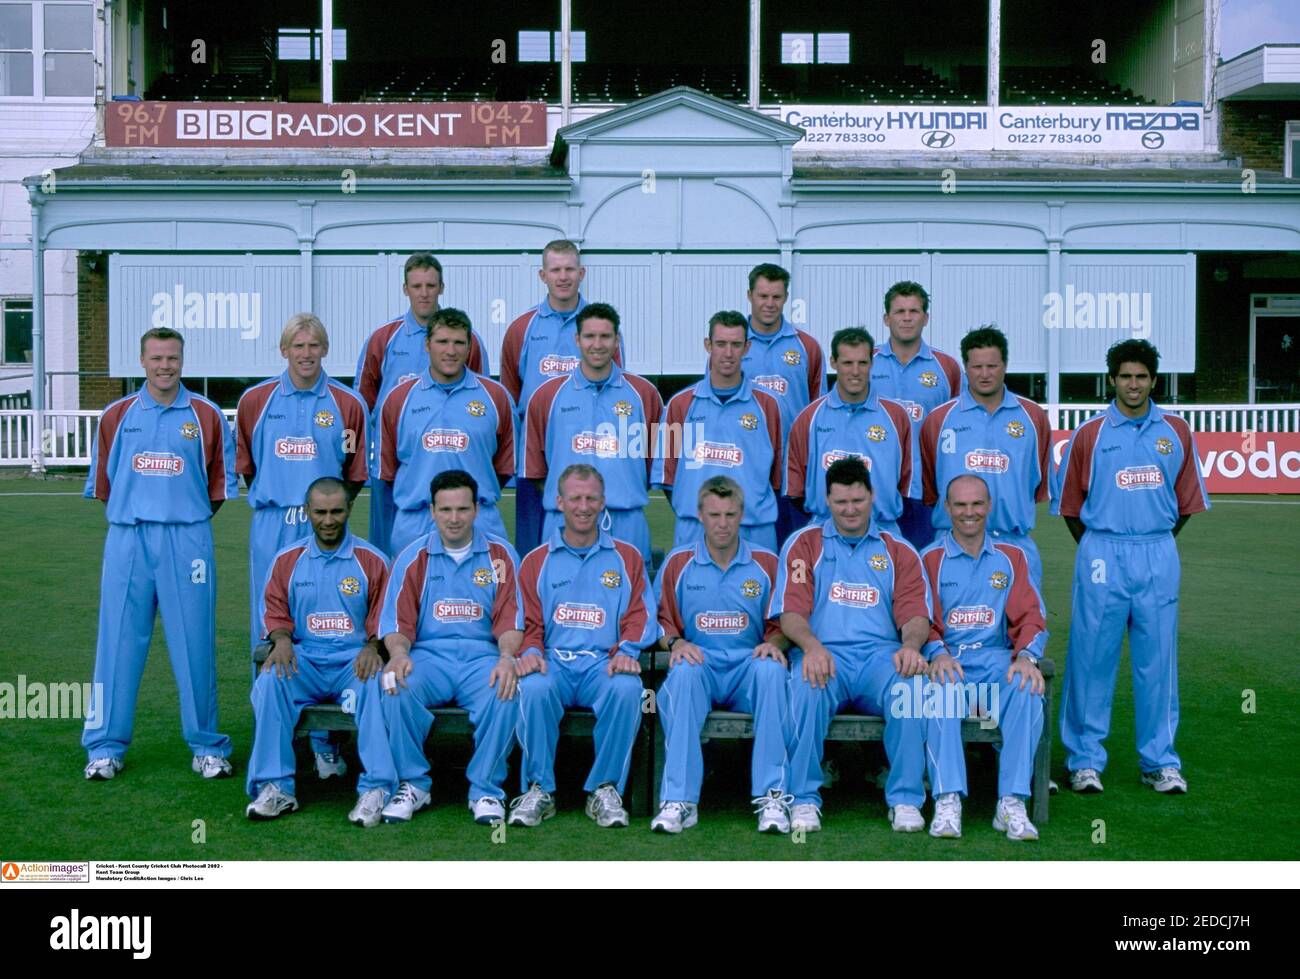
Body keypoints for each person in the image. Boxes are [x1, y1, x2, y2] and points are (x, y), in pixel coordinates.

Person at [1054, 339, 1208, 795]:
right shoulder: (1090, 433)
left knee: (1157, 660)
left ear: (1153, 381)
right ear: (1112, 380)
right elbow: (1070, 507)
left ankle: (1159, 760)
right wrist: (1106, 544)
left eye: (1142, 377)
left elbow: (1184, 505)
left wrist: (1150, 540)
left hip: (1157, 550)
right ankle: (1084, 760)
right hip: (1102, 550)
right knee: (1091, 658)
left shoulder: (1176, 431)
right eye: (1125, 376)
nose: (1134, 384)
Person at [82, 327, 237, 781]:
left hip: (187, 538)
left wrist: (180, 516)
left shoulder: (206, 415)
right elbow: (105, 486)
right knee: (116, 643)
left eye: (172, 358)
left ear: (182, 361)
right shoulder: (116, 415)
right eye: (156, 358)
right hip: (129, 537)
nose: (164, 366)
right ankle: (105, 747)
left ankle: (207, 746)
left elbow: (216, 489)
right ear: (142, 360)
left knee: (194, 643)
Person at [236, 313, 368, 778]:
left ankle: (325, 741)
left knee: (330, 626)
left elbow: (352, 475)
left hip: (324, 524)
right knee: (274, 626)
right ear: (284, 349)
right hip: (274, 523)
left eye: (314, 345)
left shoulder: (347, 403)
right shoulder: (255, 400)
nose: (306, 353)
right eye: (298, 345)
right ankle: (276, 736)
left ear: (324, 350)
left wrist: (322, 514)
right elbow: (249, 467)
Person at [771, 457, 933, 833]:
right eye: (841, 502)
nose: (850, 510)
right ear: (826, 500)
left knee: (912, 686)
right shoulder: (804, 544)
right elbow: (791, 613)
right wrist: (810, 646)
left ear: (872, 497)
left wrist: (910, 646)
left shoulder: (899, 550)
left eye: (858, 501)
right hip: (826, 655)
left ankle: (906, 798)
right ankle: (805, 797)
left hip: (881, 658)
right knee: (805, 684)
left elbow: (915, 615)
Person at [509, 465, 658, 829]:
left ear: (604, 502)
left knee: (628, 689)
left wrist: (627, 650)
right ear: (559, 502)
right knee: (532, 686)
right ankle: (539, 789)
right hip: (553, 662)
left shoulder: (628, 557)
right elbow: (528, 623)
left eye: (591, 498)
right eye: (575, 498)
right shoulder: (535, 561)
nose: (583, 506)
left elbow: (641, 614)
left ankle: (604, 789)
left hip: (602, 664)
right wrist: (530, 653)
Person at [373, 470, 524, 825]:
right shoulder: (413, 557)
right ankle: (414, 783)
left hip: (482, 657)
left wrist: (505, 658)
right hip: (429, 657)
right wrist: (398, 655)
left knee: (508, 687)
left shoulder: (502, 556)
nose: (454, 518)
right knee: (393, 683)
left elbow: (511, 620)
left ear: (476, 510)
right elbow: (397, 622)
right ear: (431, 510)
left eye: (462, 509)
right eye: (445, 510)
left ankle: (486, 788)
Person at [245, 478, 394, 824]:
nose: (329, 520)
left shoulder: (372, 560)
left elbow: (384, 616)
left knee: (376, 684)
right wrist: (281, 641)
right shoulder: (287, 560)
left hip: (352, 661)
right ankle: (276, 787)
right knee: (269, 682)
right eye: (321, 512)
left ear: (349, 510)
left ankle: (376, 788)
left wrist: (373, 646)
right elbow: (274, 611)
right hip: (305, 658)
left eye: (337, 512)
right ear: (307, 512)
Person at [652, 476, 793, 834]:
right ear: (700, 515)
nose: (723, 523)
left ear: (742, 514)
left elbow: (785, 622)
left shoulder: (766, 563)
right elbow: (659, 623)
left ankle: (771, 795)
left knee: (773, 672)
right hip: (703, 664)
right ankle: (680, 800)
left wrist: (774, 644)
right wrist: (675, 644)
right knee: (681, 674)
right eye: (714, 514)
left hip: (748, 665)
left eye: (730, 514)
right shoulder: (678, 563)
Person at [920, 474, 1047, 842]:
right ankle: (947, 798)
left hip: (995, 661)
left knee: (1025, 687)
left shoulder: (1011, 557)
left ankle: (1011, 802)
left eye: (977, 504)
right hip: (950, 662)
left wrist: (1026, 655)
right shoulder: (930, 558)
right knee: (939, 691)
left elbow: (1032, 618)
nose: (969, 513)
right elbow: (919, 618)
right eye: (960, 505)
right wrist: (937, 652)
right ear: (947, 508)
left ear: (989, 506)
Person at [354, 253, 488, 554]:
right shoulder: (383, 338)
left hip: (455, 456)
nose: (424, 293)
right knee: (390, 547)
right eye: (417, 286)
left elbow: (483, 399)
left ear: (442, 287)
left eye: (431, 285)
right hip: (399, 461)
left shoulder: (469, 339)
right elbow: (362, 405)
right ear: (405, 289)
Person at [501, 240, 623, 554]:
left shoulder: (600, 327)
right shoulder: (521, 328)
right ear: (543, 275)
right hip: (540, 458)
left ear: (582, 273)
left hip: (590, 448)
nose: (563, 277)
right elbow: (512, 394)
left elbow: (615, 385)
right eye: (556, 270)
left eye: (570, 269)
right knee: (535, 550)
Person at [523, 302, 662, 565]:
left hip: (626, 519)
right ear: (577, 339)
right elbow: (537, 470)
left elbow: (654, 462)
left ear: (617, 339)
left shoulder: (645, 395)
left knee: (630, 603)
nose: (597, 344)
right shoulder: (546, 396)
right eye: (589, 336)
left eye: (605, 336)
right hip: (564, 520)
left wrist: (620, 488)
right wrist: (576, 500)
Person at [920, 325, 1051, 584]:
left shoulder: (1033, 417)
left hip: (1013, 544)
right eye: (977, 367)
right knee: (950, 623)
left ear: (1005, 365)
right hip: (951, 544)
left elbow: (1037, 486)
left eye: (992, 366)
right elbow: (930, 489)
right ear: (965, 368)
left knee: (1023, 623)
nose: (984, 374)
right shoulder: (939, 419)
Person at [379, 308, 515, 556]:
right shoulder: (398, 399)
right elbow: (389, 470)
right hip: (416, 521)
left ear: (469, 346)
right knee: (413, 595)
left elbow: (503, 468)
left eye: (458, 342)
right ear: (427, 344)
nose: (450, 351)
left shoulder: (496, 397)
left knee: (486, 593)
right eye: (442, 342)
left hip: (479, 518)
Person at [654, 311, 783, 551]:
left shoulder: (769, 405)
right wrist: (700, 513)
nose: (728, 353)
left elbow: (777, 476)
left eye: (736, 344)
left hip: (753, 530)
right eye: (721, 344)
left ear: (747, 348)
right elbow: (666, 477)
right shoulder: (679, 404)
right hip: (694, 529)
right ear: (708, 345)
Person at [785, 326, 912, 537]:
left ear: (872, 362)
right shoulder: (809, 418)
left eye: (862, 363)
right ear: (834, 363)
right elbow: (795, 490)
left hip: (883, 532)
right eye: (847, 363)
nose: (855, 371)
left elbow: (908, 486)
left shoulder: (897, 416)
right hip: (823, 532)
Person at [870, 281, 962, 550]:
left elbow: (960, 424)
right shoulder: (865, 362)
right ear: (886, 318)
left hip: (926, 490)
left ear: (926, 318)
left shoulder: (947, 368)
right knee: (880, 571)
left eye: (914, 311)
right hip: (879, 488)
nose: (907, 318)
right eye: (899, 311)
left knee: (922, 572)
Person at [740, 263, 825, 546]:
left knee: (795, 553)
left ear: (786, 297)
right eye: (762, 296)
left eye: (776, 297)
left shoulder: (807, 347)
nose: (769, 304)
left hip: (793, 471)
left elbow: (819, 412)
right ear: (749, 295)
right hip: (749, 468)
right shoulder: (733, 345)